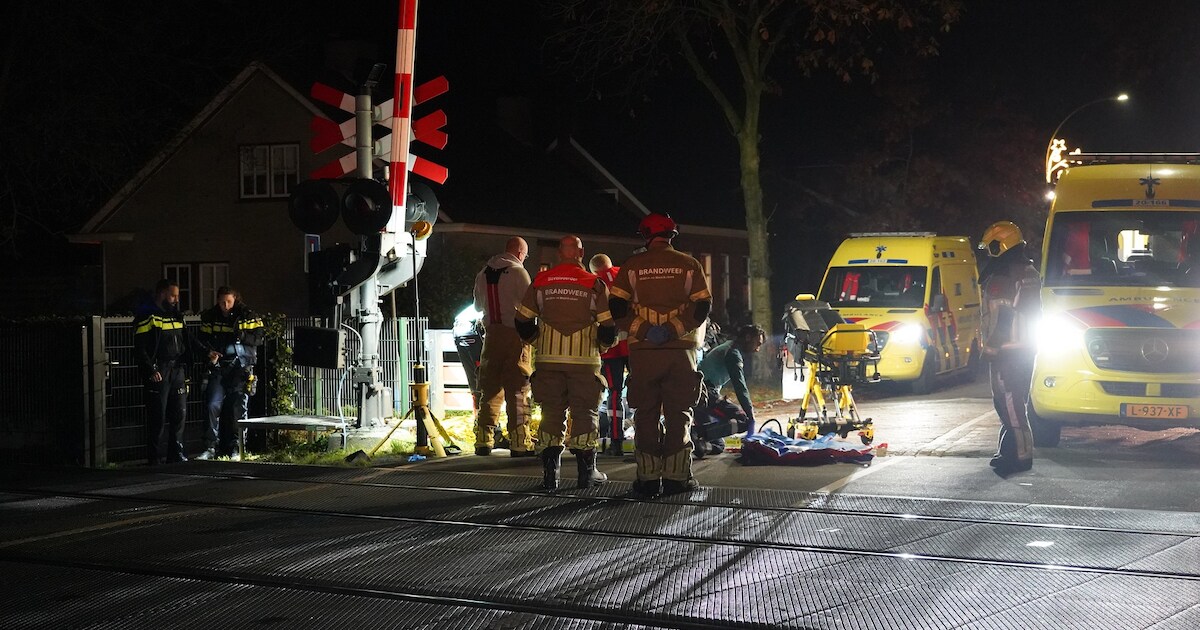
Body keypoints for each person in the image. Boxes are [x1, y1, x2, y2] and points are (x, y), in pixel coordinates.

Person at [609, 213, 712, 497]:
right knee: (679, 412)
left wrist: (643, 330)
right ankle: (678, 478)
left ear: (645, 235)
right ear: (672, 234)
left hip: (643, 353)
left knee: (645, 413)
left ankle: (648, 478)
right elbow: (703, 305)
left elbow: (617, 306)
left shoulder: (632, 265)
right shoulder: (689, 264)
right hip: (681, 352)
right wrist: (674, 328)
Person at [516, 235, 617, 490]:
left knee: (551, 412)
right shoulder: (593, 284)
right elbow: (608, 326)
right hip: (584, 361)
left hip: (548, 359)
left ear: (560, 253)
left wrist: (538, 340)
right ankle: (586, 474)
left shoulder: (541, 281)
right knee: (585, 413)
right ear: (581, 254)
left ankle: (550, 476)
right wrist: (601, 346)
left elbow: (522, 321)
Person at [978, 220, 1041, 476]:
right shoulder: (1025, 271)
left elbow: (1004, 313)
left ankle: (1020, 455)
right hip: (1020, 348)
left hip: (1008, 349)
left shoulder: (1008, 274)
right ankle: (1008, 450)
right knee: (1009, 402)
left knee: (1011, 403)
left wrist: (992, 346)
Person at [472, 236, 535, 457]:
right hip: (515, 336)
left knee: (489, 389)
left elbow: (478, 306)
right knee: (517, 389)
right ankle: (520, 442)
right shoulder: (518, 272)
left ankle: (483, 440)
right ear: (520, 254)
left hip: (491, 336)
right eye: (525, 256)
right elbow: (530, 306)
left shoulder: (483, 274)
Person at [196, 287, 264, 461]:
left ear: (236, 300)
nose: (225, 306)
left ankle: (236, 448)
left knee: (237, 410)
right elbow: (201, 340)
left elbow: (259, 338)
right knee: (212, 405)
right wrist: (208, 353)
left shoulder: (248, 315)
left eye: (229, 302)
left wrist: (241, 334)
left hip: (241, 369)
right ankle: (210, 447)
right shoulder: (211, 316)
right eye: (221, 302)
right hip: (218, 367)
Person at [133, 279, 193, 464]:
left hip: (177, 370)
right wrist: (151, 368)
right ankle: (154, 458)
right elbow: (140, 347)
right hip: (160, 370)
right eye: (173, 295)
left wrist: (206, 352)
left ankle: (175, 454)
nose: (176, 299)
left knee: (179, 413)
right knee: (157, 415)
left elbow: (187, 339)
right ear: (161, 294)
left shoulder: (176, 315)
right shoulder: (147, 316)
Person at [698, 323, 765, 453]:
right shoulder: (733, 353)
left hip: (701, 392)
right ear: (747, 337)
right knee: (742, 419)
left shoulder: (729, 346)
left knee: (718, 446)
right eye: (757, 343)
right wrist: (750, 415)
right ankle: (695, 433)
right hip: (704, 393)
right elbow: (740, 387)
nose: (757, 349)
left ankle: (696, 443)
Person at [589, 253, 630, 457]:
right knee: (643, 389)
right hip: (633, 344)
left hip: (611, 349)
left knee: (614, 393)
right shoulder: (626, 274)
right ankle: (647, 437)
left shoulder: (594, 282)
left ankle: (616, 441)